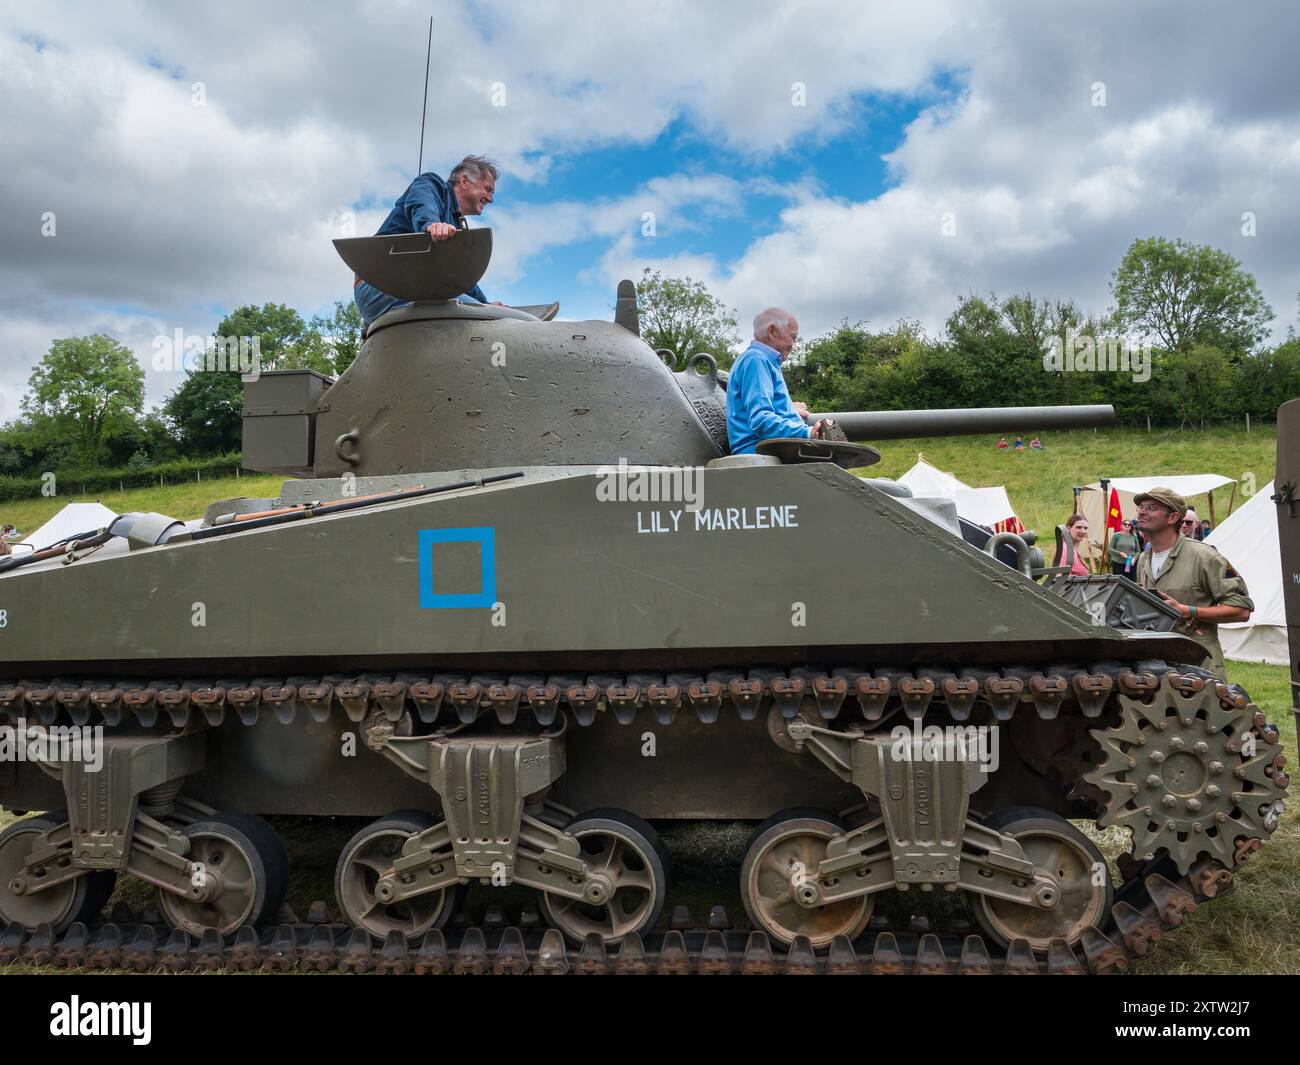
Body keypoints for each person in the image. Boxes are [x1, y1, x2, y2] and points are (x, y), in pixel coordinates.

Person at [353, 155, 505, 325]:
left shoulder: (456, 225)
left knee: (478, 311)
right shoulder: (432, 185)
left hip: (408, 286)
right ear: (464, 181)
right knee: (476, 317)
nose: (490, 199)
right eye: (487, 189)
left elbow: (461, 279)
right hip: (378, 286)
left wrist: (485, 305)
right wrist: (431, 224)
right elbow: (421, 201)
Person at [1134, 487, 1253, 679]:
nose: (1141, 511)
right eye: (1141, 507)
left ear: (1172, 518)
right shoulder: (1143, 560)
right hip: (1157, 667)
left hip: (1199, 668)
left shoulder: (1205, 557)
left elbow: (1242, 610)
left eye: (1151, 507)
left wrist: (1188, 611)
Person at [726, 308, 836, 455]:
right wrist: (809, 433)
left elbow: (760, 408)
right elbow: (760, 420)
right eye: (793, 337)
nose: (795, 345)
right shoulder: (756, 360)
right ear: (772, 331)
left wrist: (789, 409)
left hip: (773, 450)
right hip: (761, 454)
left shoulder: (763, 360)